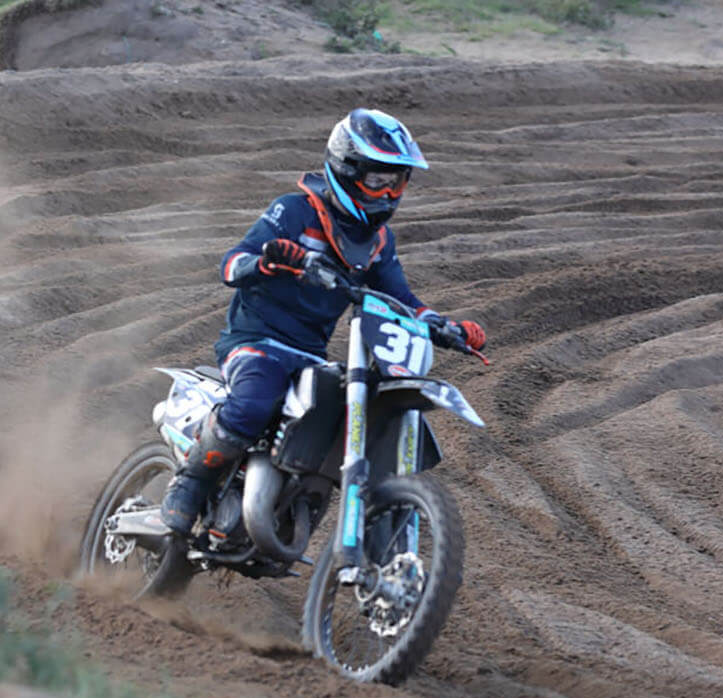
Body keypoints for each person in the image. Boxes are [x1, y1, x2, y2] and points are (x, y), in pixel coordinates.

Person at [159, 108, 488, 535]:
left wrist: (446, 327)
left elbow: (401, 299)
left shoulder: (377, 243)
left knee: (346, 418)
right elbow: (231, 263)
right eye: (378, 180)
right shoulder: (294, 212)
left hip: (311, 356)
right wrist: (269, 261)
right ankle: (190, 482)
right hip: (257, 340)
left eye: (398, 181)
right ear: (346, 170)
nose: (388, 193)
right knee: (256, 399)